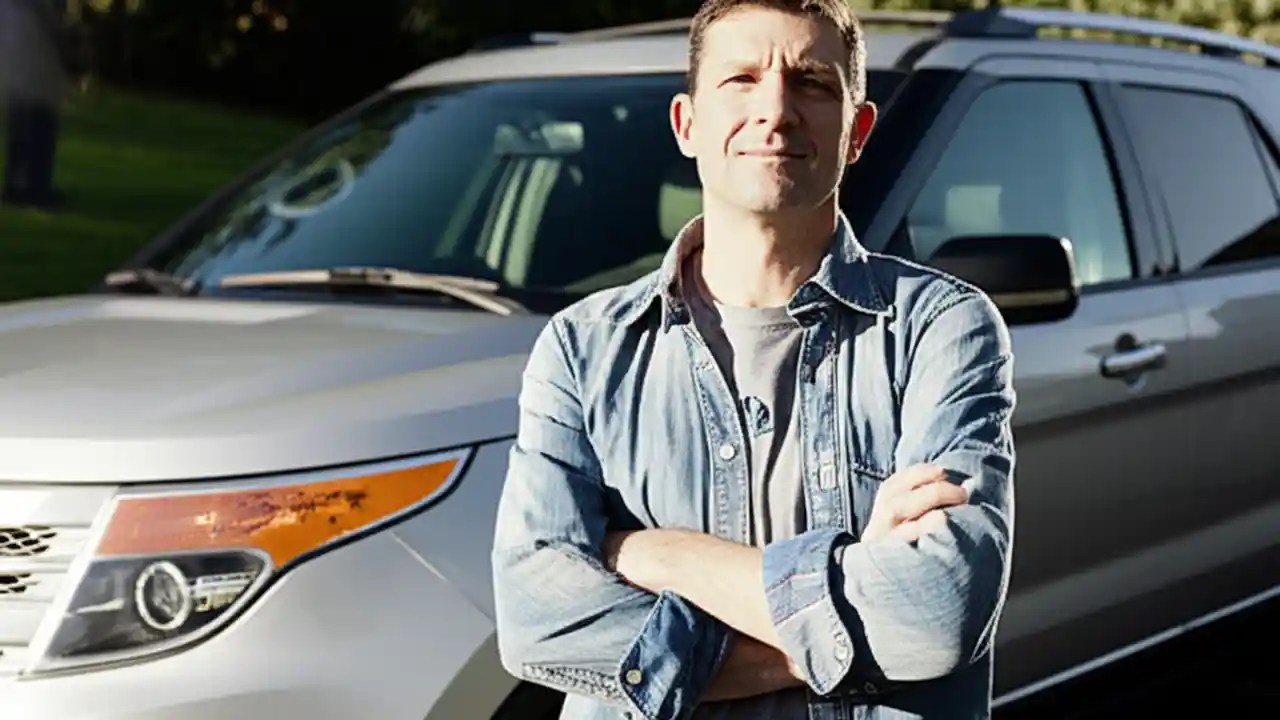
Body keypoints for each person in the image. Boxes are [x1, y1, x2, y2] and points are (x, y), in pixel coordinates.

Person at [491, 1, 1016, 717]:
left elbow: (936, 615)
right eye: (741, 78)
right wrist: (848, 609)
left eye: (812, 83)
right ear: (687, 124)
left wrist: (661, 555)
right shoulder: (584, 348)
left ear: (857, 132)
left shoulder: (940, 329)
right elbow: (534, 625)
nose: (775, 109)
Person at [0, 0, 71, 209]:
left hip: (16, 37)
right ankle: (34, 187)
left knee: (22, 114)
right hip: (32, 39)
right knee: (40, 116)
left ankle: (18, 183)